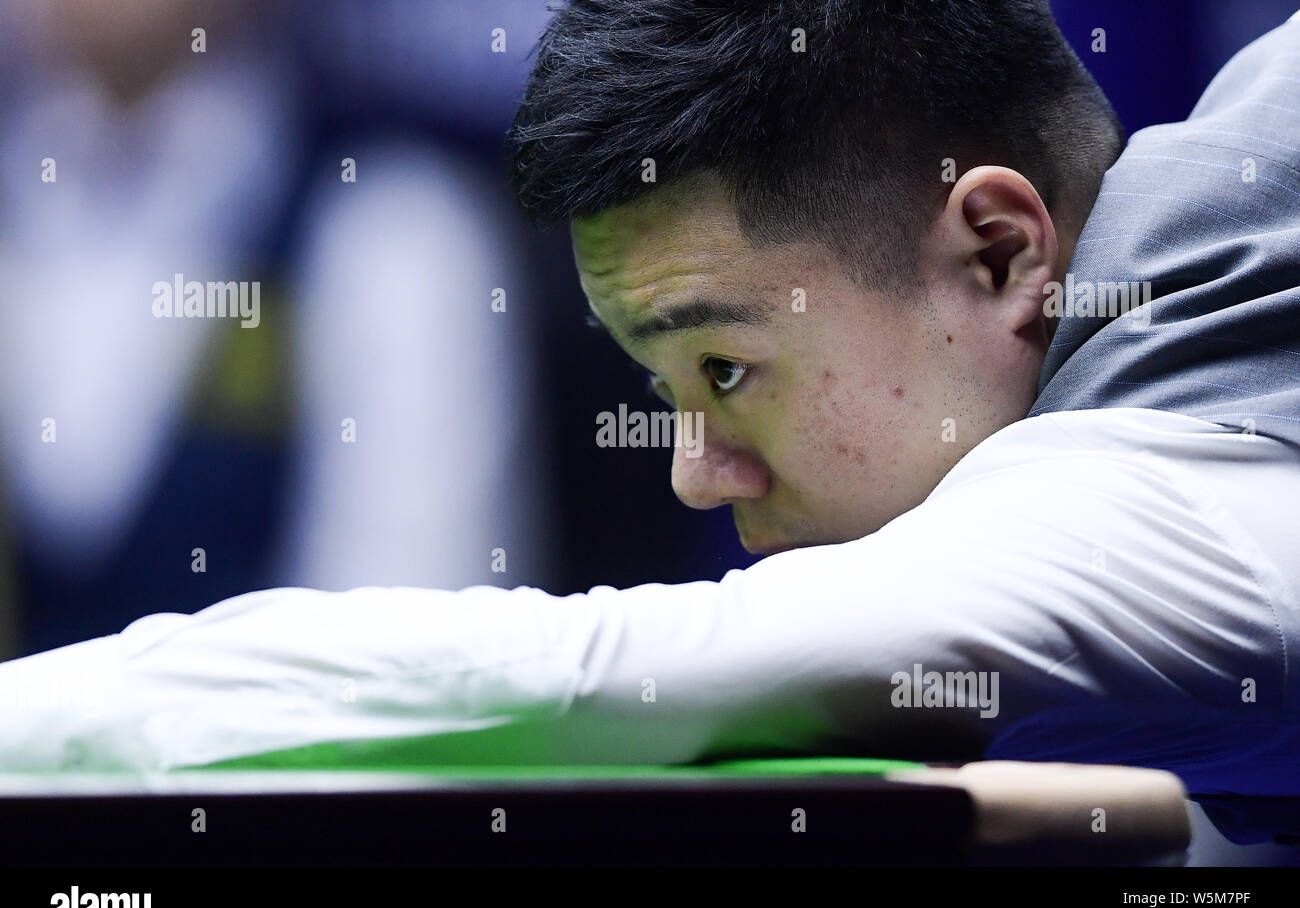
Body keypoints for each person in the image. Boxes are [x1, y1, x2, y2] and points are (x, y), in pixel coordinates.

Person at [1, 1, 1297, 798]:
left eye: (726, 369)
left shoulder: (1172, 501)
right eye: (663, 389)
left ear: (1000, 255)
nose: (694, 472)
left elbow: (584, 682)